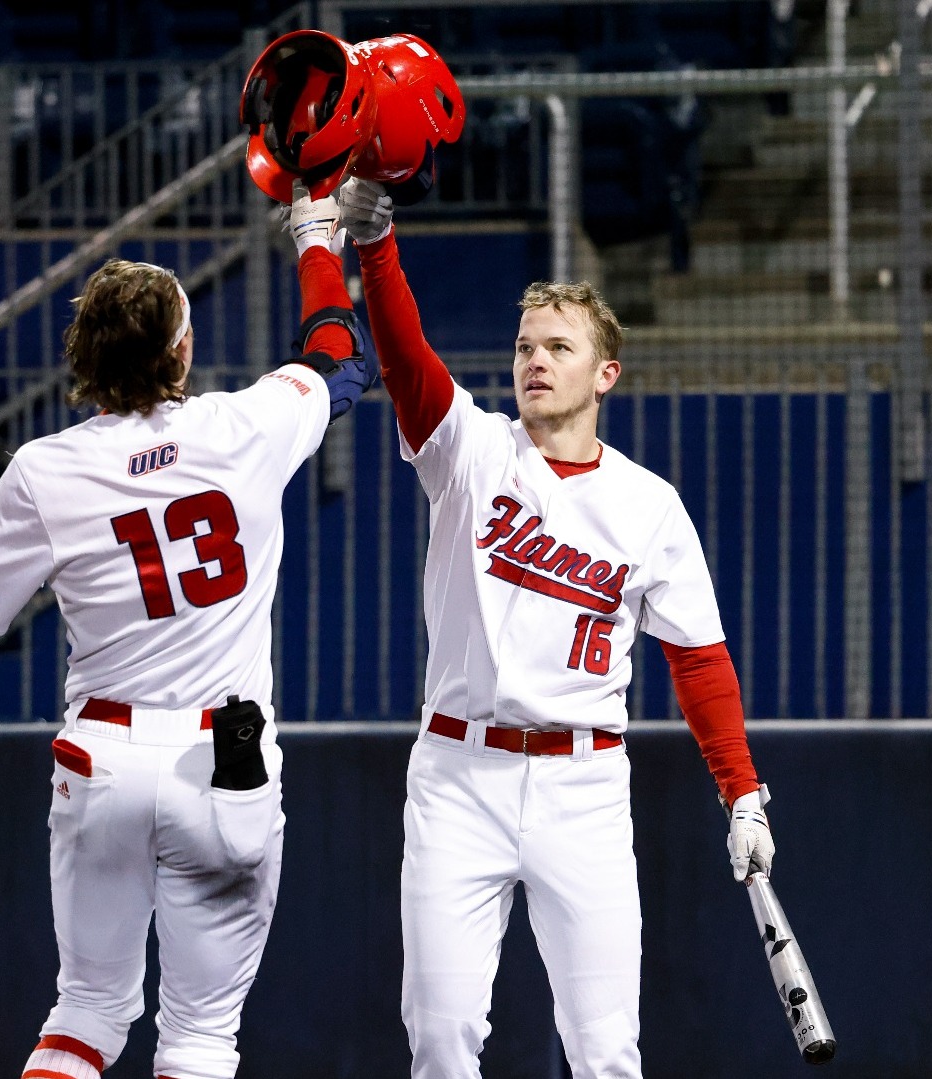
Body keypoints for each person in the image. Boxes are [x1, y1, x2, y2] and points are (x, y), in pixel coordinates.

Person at [333, 176, 775, 1078]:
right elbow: (410, 361)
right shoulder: (471, 451)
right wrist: (375, 246)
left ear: (604, 373)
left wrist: (743, 792)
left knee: (608, 1049)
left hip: (584, 787)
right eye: (525, 346)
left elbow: (699, 661)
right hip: (459, 776)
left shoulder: (650, 505)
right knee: (442, 1037)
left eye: (559, 347)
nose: (534, 360)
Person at [0, 190, 374, 1079]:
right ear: (181, 349)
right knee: (203, 1035)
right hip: (227, 759)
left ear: (84, 354)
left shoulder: (43, 469)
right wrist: (316, 238)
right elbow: (343, 360)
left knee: (87, 1012)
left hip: (103, 755)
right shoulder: (242, 425)